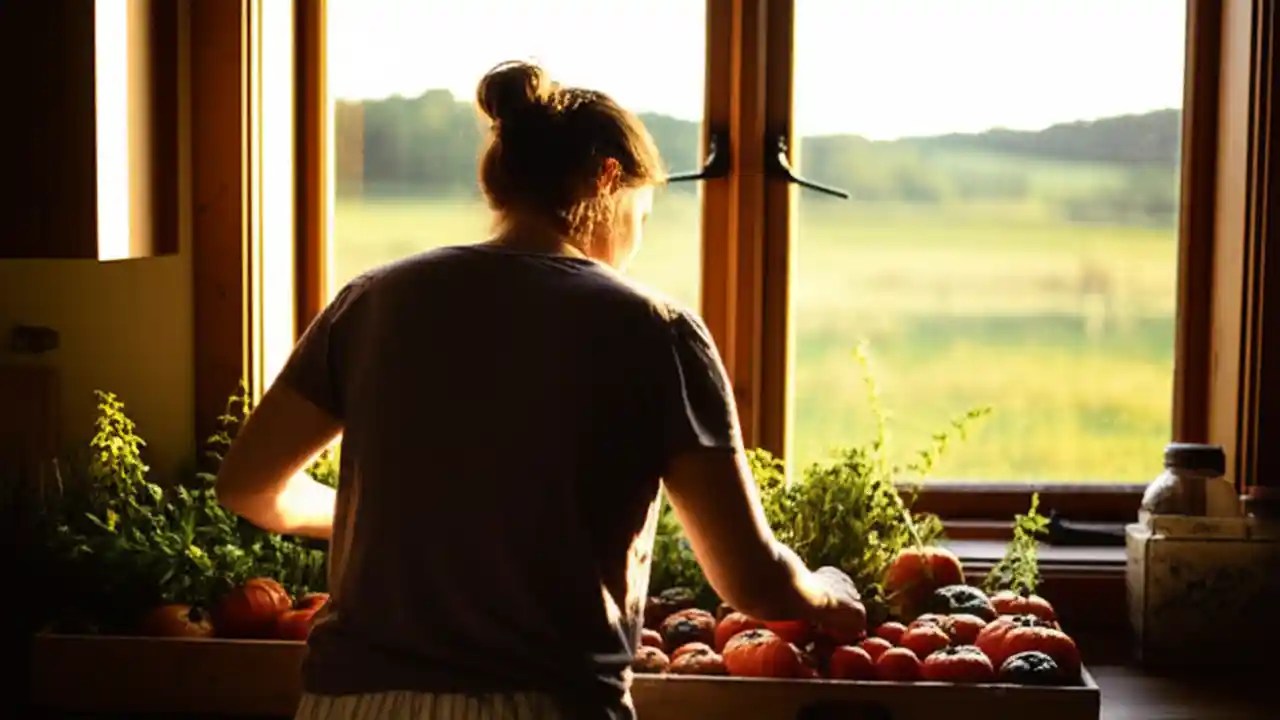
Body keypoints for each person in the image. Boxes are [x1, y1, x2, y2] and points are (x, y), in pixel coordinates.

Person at [214, 60, 866, 720]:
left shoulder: (375, 300)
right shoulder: (655, 330)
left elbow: (249, 487)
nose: (636, 238)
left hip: (348, 705)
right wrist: (827, 594)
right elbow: (749, 578)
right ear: (609, 177)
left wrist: (399, 518)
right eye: (642, 211)